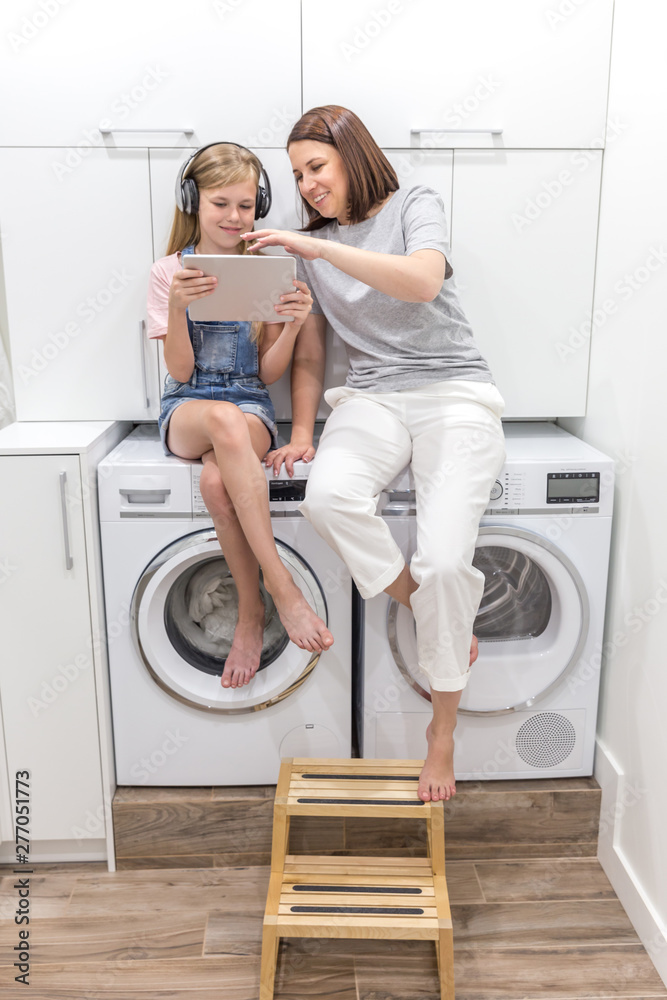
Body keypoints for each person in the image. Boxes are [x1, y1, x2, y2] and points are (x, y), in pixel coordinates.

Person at [241, 107, 506, 802]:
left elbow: (421, 280)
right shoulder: (309, 247)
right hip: (371, 399)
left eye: (316, 168)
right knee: (327, 499)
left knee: (448, 561)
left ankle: (439, 735)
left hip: (453, 393)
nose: (307, 186)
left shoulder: (414, 202)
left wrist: (322, 249)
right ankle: (421, 606)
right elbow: (313, 347)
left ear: (351, 155)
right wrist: (301, 432)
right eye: (298, 175)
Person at [146, 141, 333, 690]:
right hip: (187, 406)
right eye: (220, 203)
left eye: (246, 205)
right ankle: (281, 586)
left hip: (249, 404)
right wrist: (179, 306)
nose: (234, 217)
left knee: (215, 477)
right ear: (193, 203)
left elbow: (269, 375)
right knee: (221, 422)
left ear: (260, 207)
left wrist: (295, 324)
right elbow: (180, 371)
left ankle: (249, 616)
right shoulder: (167, 273)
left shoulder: (269, 269)